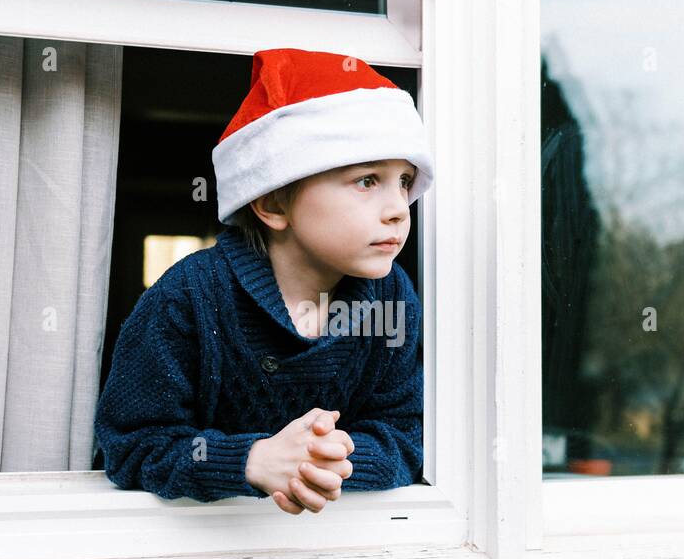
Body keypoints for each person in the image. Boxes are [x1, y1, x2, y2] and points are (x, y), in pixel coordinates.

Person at [93, 47, 435, 514]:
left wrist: (326, 464)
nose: (400, 206)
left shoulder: (392, 298)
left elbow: (404, 435)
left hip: (335, 551)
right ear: (273, 204)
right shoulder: (190, 296)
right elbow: (134, 445)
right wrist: (252, 461)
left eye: (405, 181)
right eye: (367, 181)